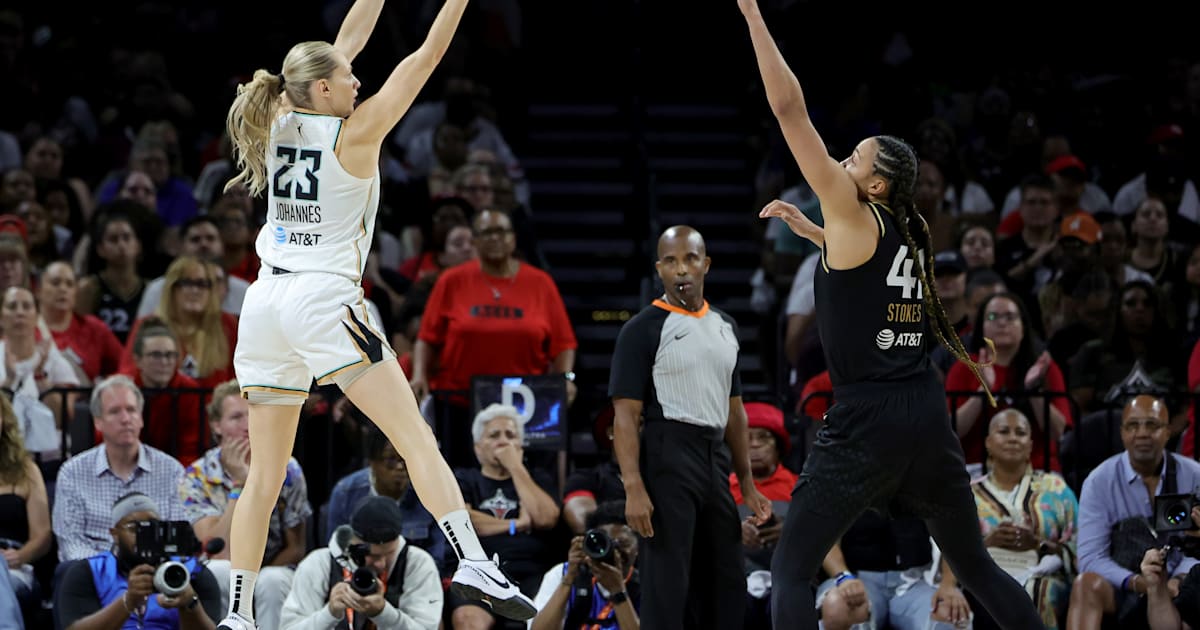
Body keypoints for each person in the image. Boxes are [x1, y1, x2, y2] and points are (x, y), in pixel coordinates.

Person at [218, 0, 535, 627]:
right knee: (415, 436)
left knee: (264, 478)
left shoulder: (281, 112)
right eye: (349, 77)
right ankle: (472, 560)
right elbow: (425, 59)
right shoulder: (356, 133)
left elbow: (348, 40)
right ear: (326, 88)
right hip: (320, 301)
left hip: (264, 304)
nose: (359, 80)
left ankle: (238, 615)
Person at [737, 2, 1045, 628]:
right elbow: (865, 276)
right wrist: (814, 233)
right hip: (923, 411)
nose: (841, 164)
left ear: (874, 186)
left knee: (794, 570)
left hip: (868, 414)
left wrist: (750, 12)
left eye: (853, 159)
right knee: (978, 568)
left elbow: (789, 109)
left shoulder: (853, 212)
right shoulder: (908, 227)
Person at [609, 224, 771, 630]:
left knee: (727, 579)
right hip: (667, 452)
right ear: (659, 269)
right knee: (668, 582)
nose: (681, 269)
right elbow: (625, 415)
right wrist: (633, 486)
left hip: (715, 456)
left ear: (706, 264)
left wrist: (747, 483)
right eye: (671, 261)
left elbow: (735, 412)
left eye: (690, 259)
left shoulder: (725, 326)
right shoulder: (642, 329)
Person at [182, 380, 310, 630]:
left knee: (272, 582)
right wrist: (240, 485)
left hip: (272, 567)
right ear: (216, 425)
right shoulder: (196, 476)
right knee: (220, 571)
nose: (247, 425)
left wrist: (255, 578)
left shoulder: (288, 468)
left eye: (252, 413)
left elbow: (296, 547)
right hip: (223, 566)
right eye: (236, 417)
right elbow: (216, 549)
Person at [1066, 394, 1200, 630]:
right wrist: (1141, 583)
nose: (1142, 434)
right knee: (1084, 584)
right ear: (1122, 433)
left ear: (1168, 431)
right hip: (1124, 585)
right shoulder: (1099, 481)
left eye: (1152, 425)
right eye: (1133, 426)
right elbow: (1091, 558)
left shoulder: (1194, 475)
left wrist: (1178, 578)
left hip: (1182, 581)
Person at [53, 376, 188, 562]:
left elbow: (178, 536)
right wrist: (113, 569)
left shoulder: (172, 470)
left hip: (156, 567)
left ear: (141, 418)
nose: (125, 419)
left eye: (131, 410)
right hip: (93, 572)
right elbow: (71, 543)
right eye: (115, 411)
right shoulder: (72, 472)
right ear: (98, 422)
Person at [970, 410, 1078, 629]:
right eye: (1004, 431)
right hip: (985, 578)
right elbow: (949, 548)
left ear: (1030, 446)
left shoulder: (1055, 488)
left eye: (1020, 433)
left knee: (1039, 590)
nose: (1012, 438)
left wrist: (1039, 544)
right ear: (988, 443)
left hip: (1044, 578)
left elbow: (1080, 543)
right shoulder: (969, 493)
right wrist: (985, 544)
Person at [55, 493, 222, 630]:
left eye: (152, 527)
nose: (145, 536)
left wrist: (189, 604)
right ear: (114, 533)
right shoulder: (89, 571)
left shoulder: (189, 572)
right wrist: (128, 601)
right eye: (135, 528)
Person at [279, 496, 443, 630]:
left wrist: (383, 613)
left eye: (389, 554)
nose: (380, 564)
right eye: (373, 555)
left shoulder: (417, 564)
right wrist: (329, 614)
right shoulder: (318, 564)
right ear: (353, 543)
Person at [529, 500, 640, 630]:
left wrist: (617, 591)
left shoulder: (647, 583)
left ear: (638, 547)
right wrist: (569, 580)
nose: (614, 552)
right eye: (605, 543)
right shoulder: (562, 573)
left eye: (622, 543)